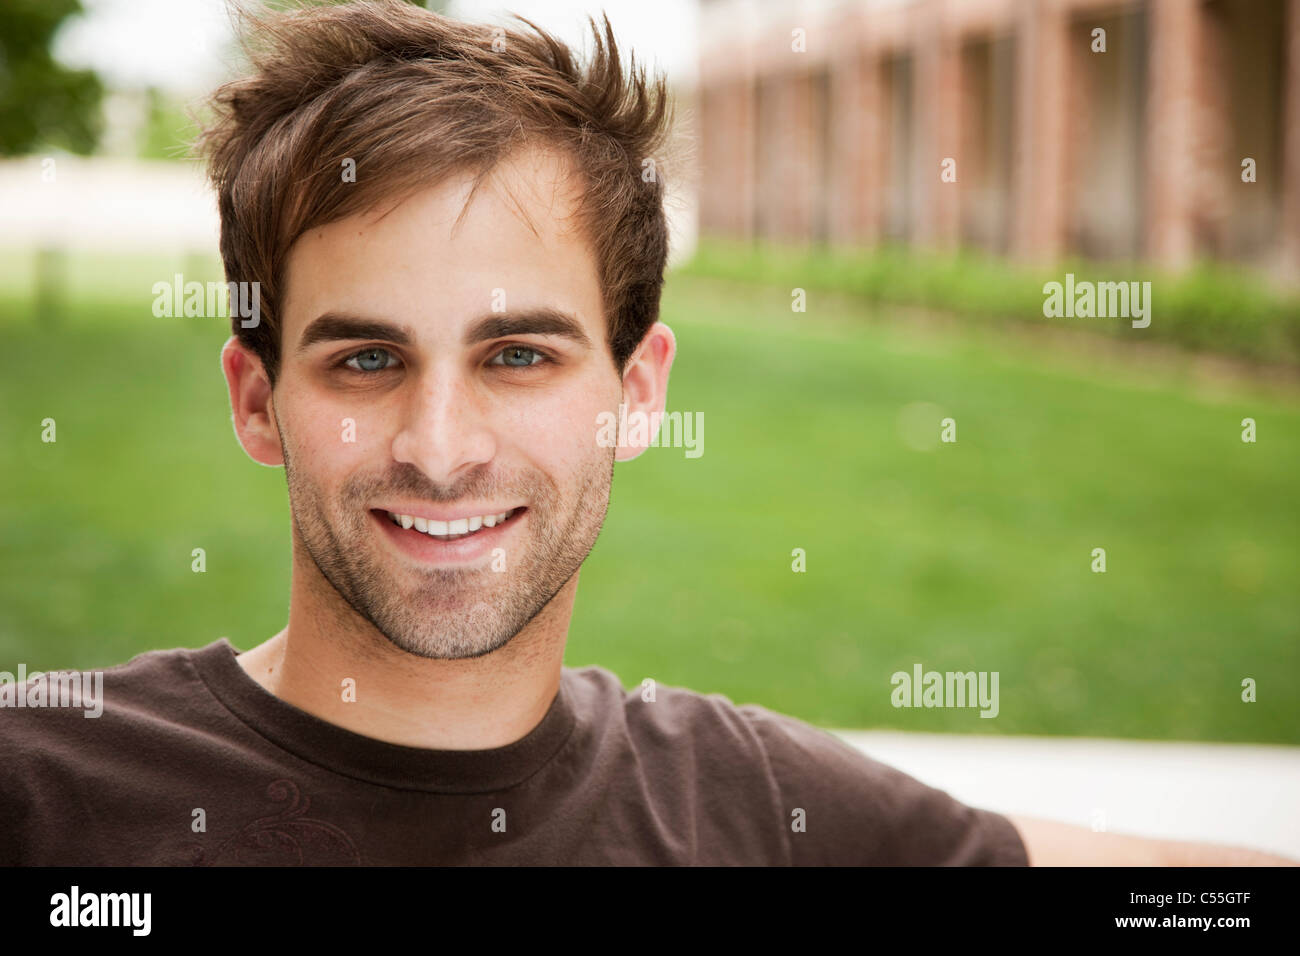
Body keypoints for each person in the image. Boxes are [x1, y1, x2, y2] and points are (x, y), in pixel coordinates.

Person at [0, 0, 1290, 866]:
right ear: (256, 401)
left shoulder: (742, 807)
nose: (439, 445)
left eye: (518, 355)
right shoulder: (51, 792)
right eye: (366, 358)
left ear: (638, 390)